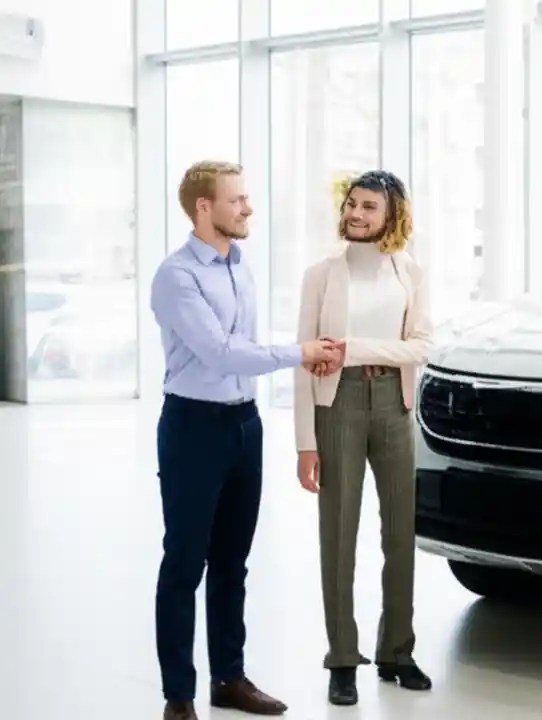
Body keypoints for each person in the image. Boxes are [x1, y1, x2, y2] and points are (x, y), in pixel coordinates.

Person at [152, 160, 344, 720]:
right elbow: (221, 352)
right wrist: (301, 352)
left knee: (232, 561)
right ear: (203, 208)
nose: (248, 208)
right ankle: (178, 696)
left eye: (246, 198)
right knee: (185, 563)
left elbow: (241, 348)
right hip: (192, 427)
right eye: (236, 200)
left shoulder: (241, 265)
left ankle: (229, 679)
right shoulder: (177, 276)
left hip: (243, 424)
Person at [293, 170, 433, 706]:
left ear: (392, 214)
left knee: (400, 535)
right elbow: (306, 359)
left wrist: (354, 348)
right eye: (352, 203)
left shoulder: (411, 272)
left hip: (395, 408)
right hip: (338, 405)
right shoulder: (322, 274)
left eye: (368, 207)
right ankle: (343, 659)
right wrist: (305, 441)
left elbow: (421, 345)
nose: (355, 213)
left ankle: (397, 650)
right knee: (338, 537)